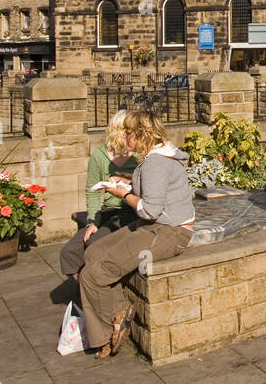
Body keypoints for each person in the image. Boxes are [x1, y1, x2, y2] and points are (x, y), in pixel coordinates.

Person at [83, 110, 195, 358]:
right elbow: (153, 191)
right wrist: (125, 183)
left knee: (93, 273)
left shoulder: (156, 162)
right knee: (93, 253)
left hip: (169, 231)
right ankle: (118, 312)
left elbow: (151, 210)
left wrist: (122, 194)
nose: (124, 136)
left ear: (140, 135)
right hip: (156, 226)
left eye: (128, 132)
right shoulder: (153, 157)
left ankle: (108, 330)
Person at [59, 110, 138, 278]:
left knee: (95, 245)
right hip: (108, 211)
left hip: (132, 210)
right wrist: (92, 222)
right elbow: (92, 192)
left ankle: (98, 293)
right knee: (69, 252)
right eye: (130, 130)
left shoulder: (139, 155)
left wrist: (128, 184)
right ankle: (89, 292)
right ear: (120, 131)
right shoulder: (99, 156)